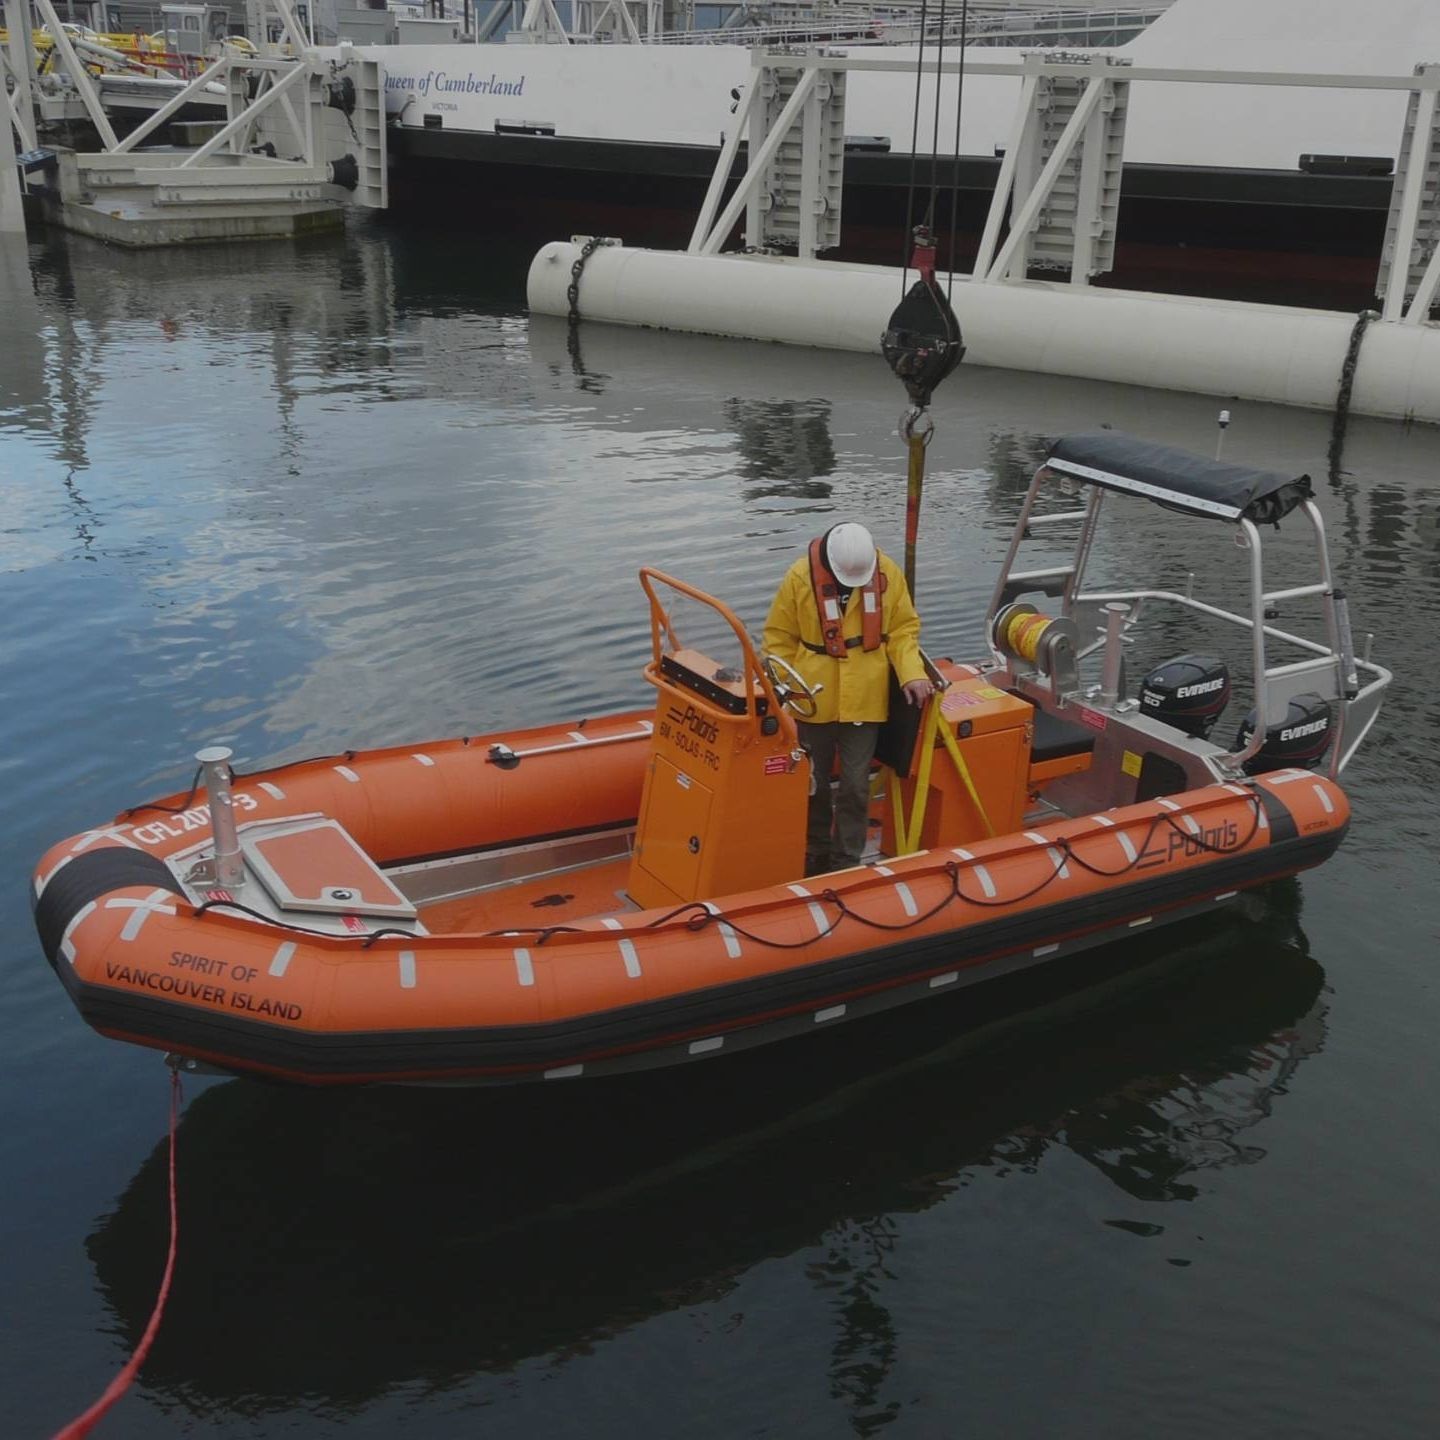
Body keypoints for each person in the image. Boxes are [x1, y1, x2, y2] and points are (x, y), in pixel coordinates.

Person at [762, 523, 934, 875]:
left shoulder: (887, 573)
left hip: (865, 694)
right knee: (813, 781)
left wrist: (912, 672)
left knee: (856, 784)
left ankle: (847, 858)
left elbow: (903, 630)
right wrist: (780, 691)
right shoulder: (799, 577)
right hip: (812, 695)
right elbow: (779, 638)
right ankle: (814, 848)